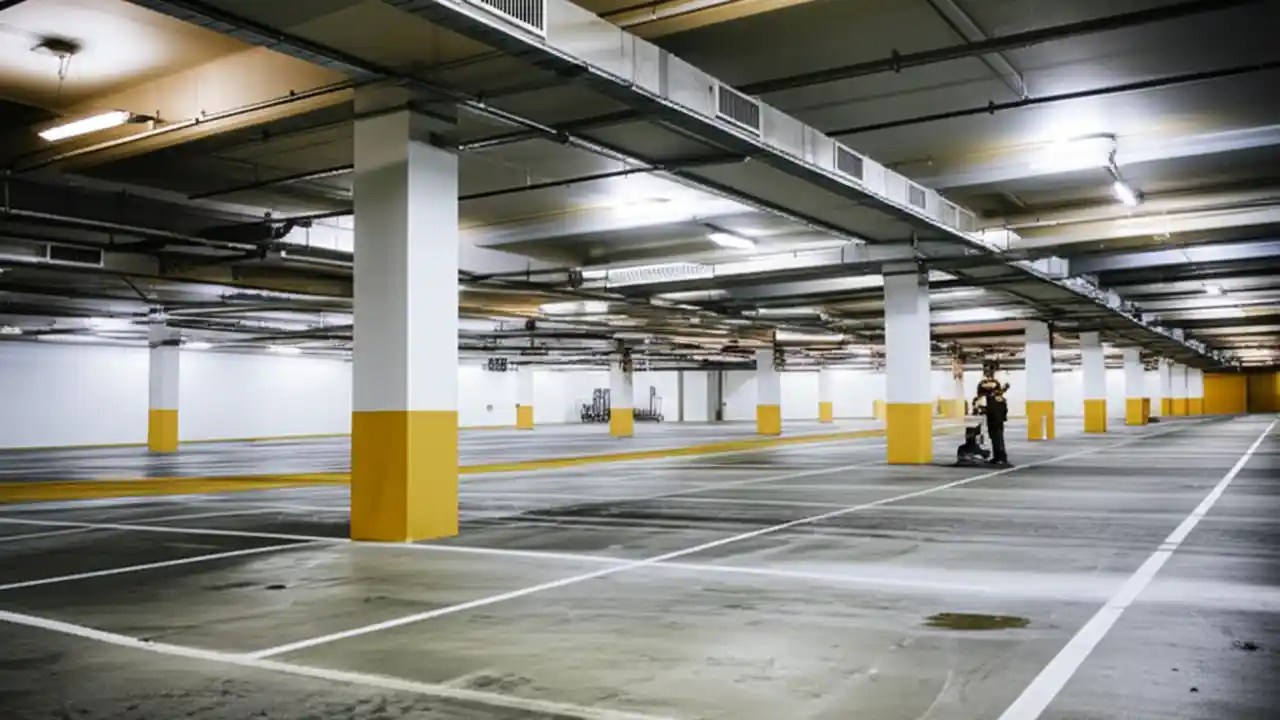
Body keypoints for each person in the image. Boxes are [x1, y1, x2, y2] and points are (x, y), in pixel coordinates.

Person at [986, 388, 1010, 466]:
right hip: (998, 422)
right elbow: (1005, 411)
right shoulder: (1002, 401)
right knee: (997, 440)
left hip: (994, 422)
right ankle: (998, 457)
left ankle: (1001, 458)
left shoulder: (991, 400)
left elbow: (989, 411)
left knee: (997, 440)